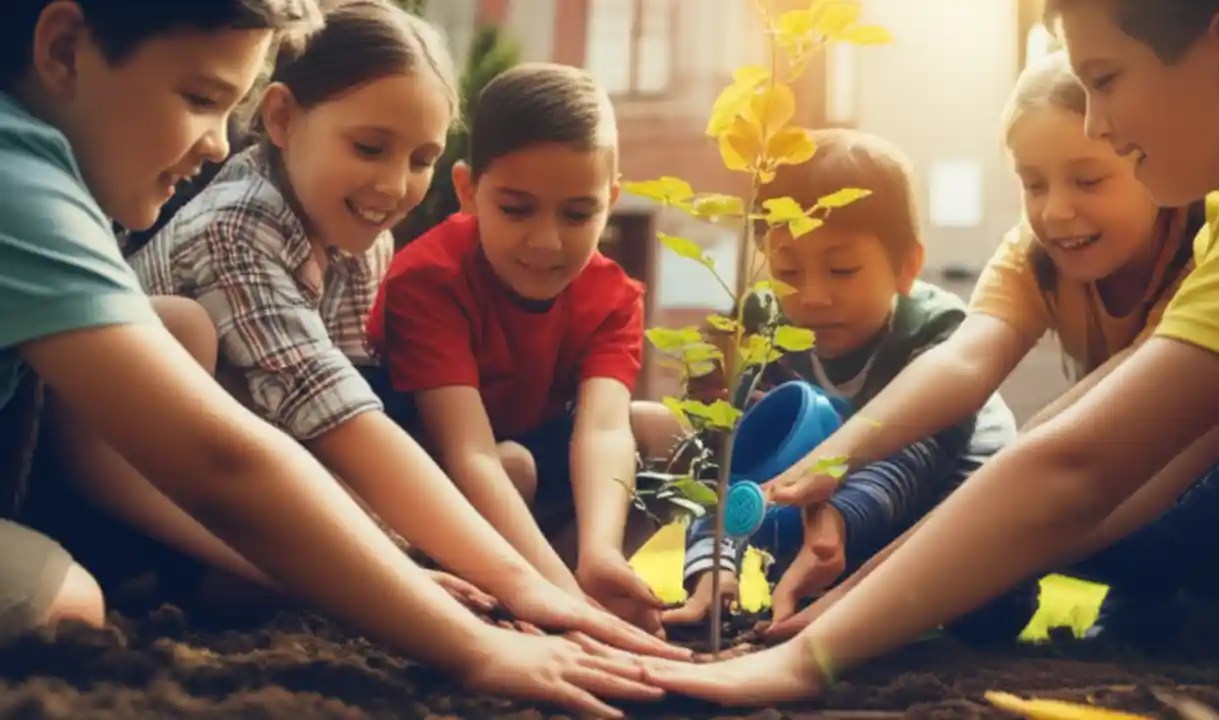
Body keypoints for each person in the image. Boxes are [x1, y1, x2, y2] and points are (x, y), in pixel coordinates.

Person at [0, 2, 679, 716]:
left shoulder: (353, 242)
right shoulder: (42, 188)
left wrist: (415, 568)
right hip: (140, 502)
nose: (216, 145)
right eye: (200, 100)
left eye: (420, 158)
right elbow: (234, 455)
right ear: (65, 46)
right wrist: (485, 627)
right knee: (70, 599)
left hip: (205, 480)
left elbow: (347, 417)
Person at [639, 0, 1219, 702]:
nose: (1100, 122)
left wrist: (811, 656)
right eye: (1033, 183)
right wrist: (849, 502)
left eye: (1105, 79)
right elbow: (1086, 452)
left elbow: (1085, 467)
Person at [368, 62, 681, 635]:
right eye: (516, 209)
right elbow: (470, 453)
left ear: (610, 200)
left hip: (541, 467)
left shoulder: (612, 296)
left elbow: (605, 430)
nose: (546, 241)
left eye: (577, 214)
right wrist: (564, 603)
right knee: (513, 465)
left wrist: (602, 552)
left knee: (664, 432)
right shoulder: (430, 279)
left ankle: (588, 583)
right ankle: (534, 596)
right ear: (467, 190)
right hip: (439, 487)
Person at [661, 129, 1015, 627]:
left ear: (906, 266)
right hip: (831, 512)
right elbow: (730, 458)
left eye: (842, 269)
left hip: (955, 512)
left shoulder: (937, 333)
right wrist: (713, 563)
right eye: (787, 271)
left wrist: (839, 522)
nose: (813, 296)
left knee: (986, 615)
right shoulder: (766, 333)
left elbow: (915, 461)